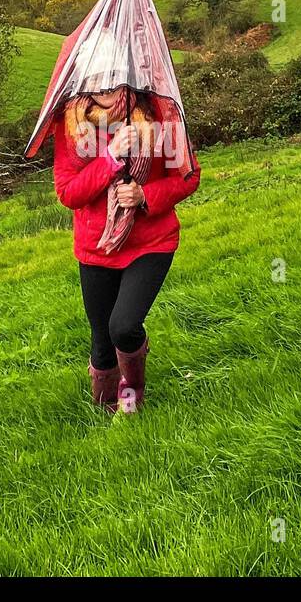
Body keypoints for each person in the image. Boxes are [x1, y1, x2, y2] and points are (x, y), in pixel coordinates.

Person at [52, 85, 200, 413]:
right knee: (102, 342)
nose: (103, 87)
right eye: (96, 78)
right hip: (96, 248)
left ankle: (131, 398)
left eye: (112, 77)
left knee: (123, 326)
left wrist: (145, 195)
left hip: (151, 242)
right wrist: (110, 157)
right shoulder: (71, 124)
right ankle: (104, 411)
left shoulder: (160, 115)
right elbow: (68, 193)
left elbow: (189, 177)